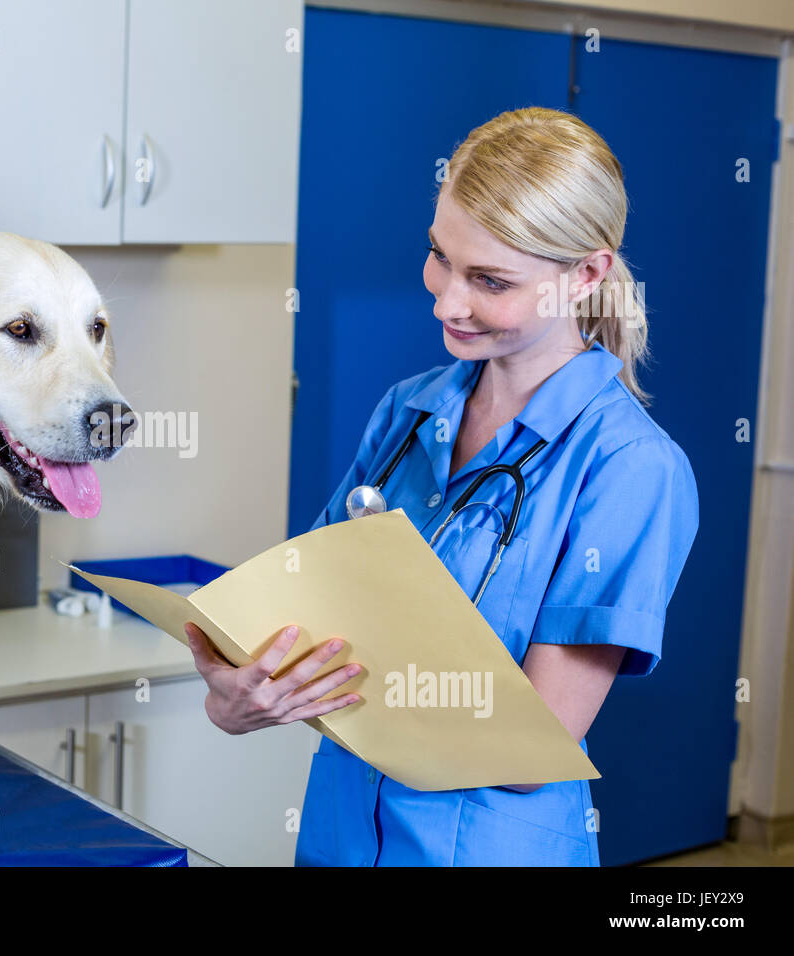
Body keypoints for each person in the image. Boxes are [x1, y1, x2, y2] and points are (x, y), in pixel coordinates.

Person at [183, 107, 700, 866]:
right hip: (338, 835)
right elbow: (300, 614)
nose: (446, 302)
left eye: (490, 280)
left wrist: (343, 685)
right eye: (439, 257)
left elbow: (534, 751)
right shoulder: (408, 411)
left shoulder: (630, 467)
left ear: (585, 275)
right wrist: (243, 691)